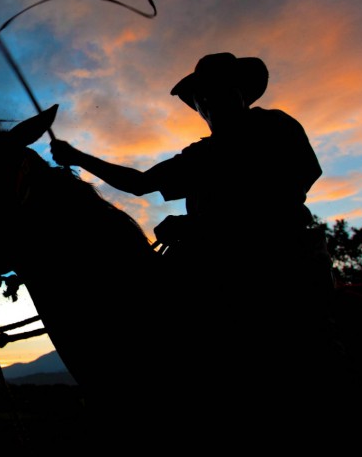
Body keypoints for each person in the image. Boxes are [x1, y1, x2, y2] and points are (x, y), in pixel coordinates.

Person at [50, 52, 333, 300]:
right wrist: (78, 157)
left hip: (283, 260)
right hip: (213, 264)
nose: (210, 101)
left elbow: (297, 181)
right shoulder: (199, 155)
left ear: (240, 92)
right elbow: (138, 183)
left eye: (220, 89)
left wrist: (198, 225)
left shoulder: (275, 126)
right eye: (202, 96)